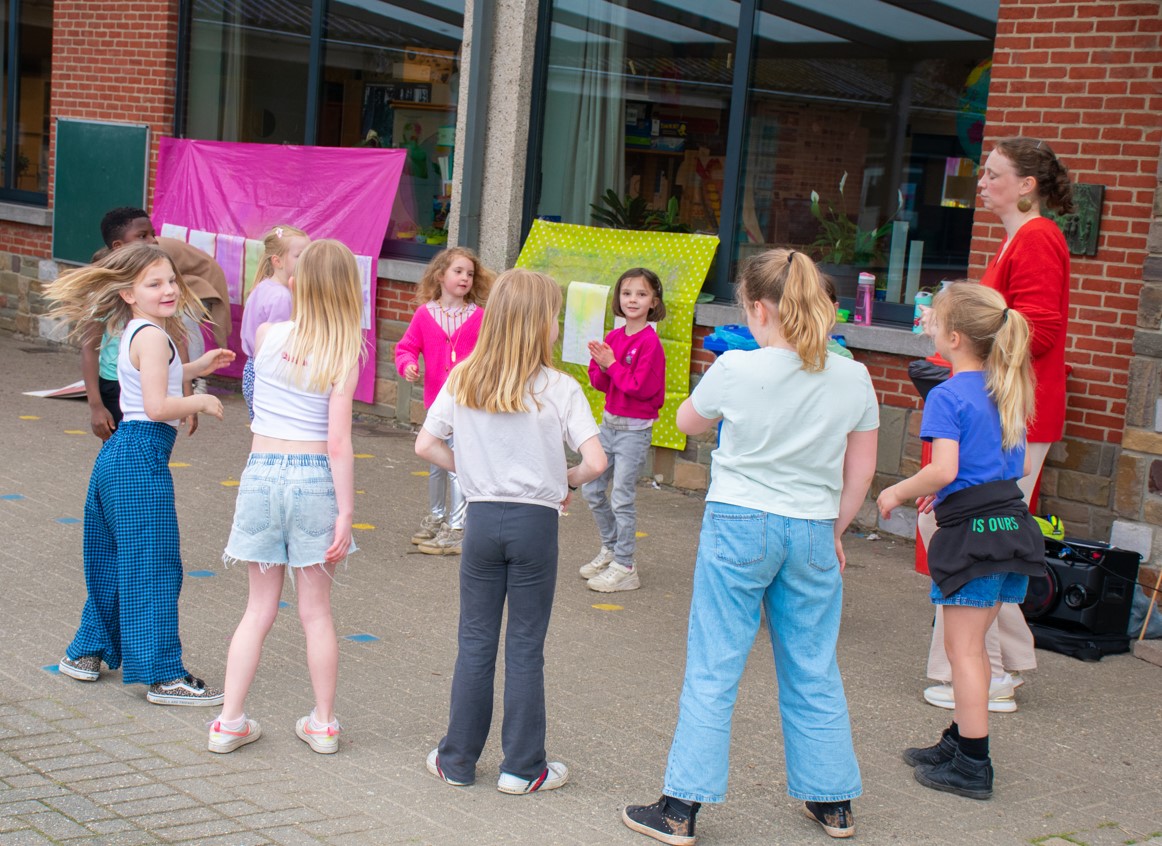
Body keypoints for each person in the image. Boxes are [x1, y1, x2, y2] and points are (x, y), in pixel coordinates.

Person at [622, 249, 878, 844]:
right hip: (813, 526)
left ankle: (681, 806)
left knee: (715, 663)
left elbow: (687, 422)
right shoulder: (854, 376)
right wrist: (836, 531)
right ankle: (832, 799)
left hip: (739, 521)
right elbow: (860, 470)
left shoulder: (736, 368)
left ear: (759, 309)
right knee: (813, 664)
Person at [416, 268, 606, 793]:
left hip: (480, 519)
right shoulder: (561, 388)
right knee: (525, 644)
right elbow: (596, 459)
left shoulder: (465, 377)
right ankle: (522, 768)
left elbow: (426, 445)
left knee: (474, 639)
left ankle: (456, 760)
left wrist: (471, 470)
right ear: (541, 323)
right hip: (536, 526)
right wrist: (561, 479)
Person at [919, 138, 1073, 713]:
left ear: (1027, 184)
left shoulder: (1036, 238)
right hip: (1008, 407)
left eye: (993, 174)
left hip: (1014, 411)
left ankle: (992, 672)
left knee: (973, 537)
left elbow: (1041, 331)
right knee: (976, 535)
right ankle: (993, 666)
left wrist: (968, 363)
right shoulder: (1025, 236)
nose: (981, 182)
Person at [878, 283, 1045, 800]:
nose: (925, 319)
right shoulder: (1004, 389)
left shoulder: (948, 395)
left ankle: (973, 764)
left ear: (953, 337)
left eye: (933, 317)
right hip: (1008, 532)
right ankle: (957, 739)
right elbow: (996, 468)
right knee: (968, 647)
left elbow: (944, 467)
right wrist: (947, 493)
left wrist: (899, 492)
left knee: (965, 655)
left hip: (974, 539)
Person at [51, 243, 235, 704]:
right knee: (153, 565)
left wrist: (196, 366)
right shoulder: (152, 334)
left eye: (171, 280)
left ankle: (86, 652)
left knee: (117, 560)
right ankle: (163, 674)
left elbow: (151, 378)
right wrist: (199, 399)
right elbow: (156, 406)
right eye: (154, 284)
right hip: (138, 458)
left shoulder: (143, 331)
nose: (169, 289)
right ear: (129, 293)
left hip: (119, 459)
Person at [208, 239, 364, 756]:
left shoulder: (268, 334)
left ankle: (229, 722)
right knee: (316, 612)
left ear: (296, 284)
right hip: (315, 477)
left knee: (258, 609)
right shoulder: (346, 353)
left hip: (260, 474)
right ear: (350, 289)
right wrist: (346, 511)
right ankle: (323, 724)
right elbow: (339, 442)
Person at [83, 208, 233, 440]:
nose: (153, 240)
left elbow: (175, 347)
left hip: (142, 445)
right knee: (117, 443)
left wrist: (189, 389)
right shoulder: (141, 327)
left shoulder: (157, 306)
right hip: (116, 391)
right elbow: (157, 409)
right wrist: (95, 405)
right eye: (142, 236)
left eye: (172, 281)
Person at [396, 246, 494, 556]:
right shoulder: (425, 314)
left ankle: (457, 527)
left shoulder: (479, 317)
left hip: (467, 404)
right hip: (436, 404)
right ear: (440, 275)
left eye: (470, 273)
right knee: (436, 465)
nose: (465, 277)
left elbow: (489, 355)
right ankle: (436, 518)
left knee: (457, 465)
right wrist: (408, 365)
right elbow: (405, 347)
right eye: (458, 271)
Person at [580, 267, 667, 593]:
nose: (633, 300)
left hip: (634, 431)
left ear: (653, 302)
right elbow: (602, 382)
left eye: (641, 294)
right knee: (591, 489)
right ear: (618, 297)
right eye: (627, 293)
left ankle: (626, 565)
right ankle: (611, 548)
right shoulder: (614, 337)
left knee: (622, 498)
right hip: (609, 425)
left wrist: (612, 364)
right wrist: (601, 363)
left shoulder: (650, 344)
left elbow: (639, 388)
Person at [239, 225, 310, 418]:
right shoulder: (282, 297)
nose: (307, 261)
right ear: (277, 261)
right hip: (269, 376)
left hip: (252, 369)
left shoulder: (262, 287)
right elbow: (279, 347)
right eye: (300, 256)